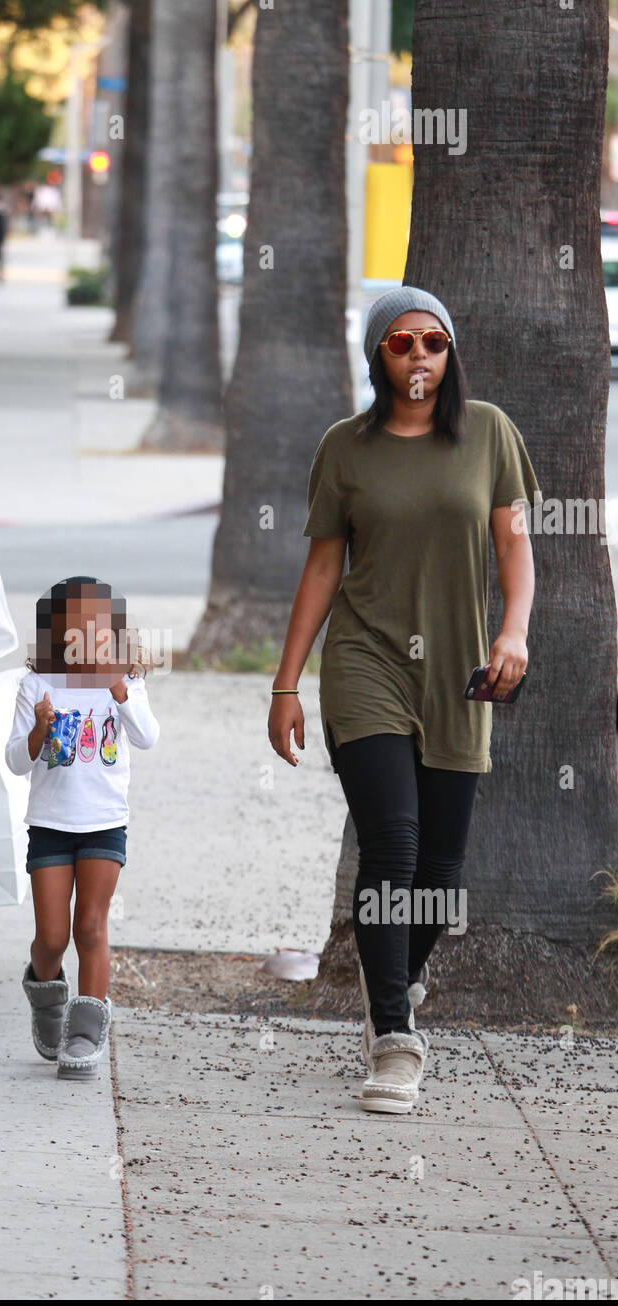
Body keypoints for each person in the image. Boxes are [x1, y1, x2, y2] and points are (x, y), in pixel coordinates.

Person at [267, 286, 540, 1115]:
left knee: (441, 879)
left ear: (448, 352)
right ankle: (393, 1038)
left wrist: (514, 634)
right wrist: (285, 682)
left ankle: (400, 973)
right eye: (400, 344)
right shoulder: (344, 448)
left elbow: (514, 547)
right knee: (391, 844)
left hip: (459, 670)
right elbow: (321, 568)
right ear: (375, 357)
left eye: (432, 342)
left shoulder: (488, 431)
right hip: (365, 661)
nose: (419, 356)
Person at [5, 576, 160, 1080]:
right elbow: (15, 761)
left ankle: (86, 1029)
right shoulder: (37, 685)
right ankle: (48, 1000)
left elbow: (147, 737)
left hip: (104, 825)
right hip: (50, 825)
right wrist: (38, 732)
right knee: (51, 937)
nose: (84, 639)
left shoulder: (126, 683)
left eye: (95, 629)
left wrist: (119, 690)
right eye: (73, 629)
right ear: (56, 636)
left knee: (90, 927)